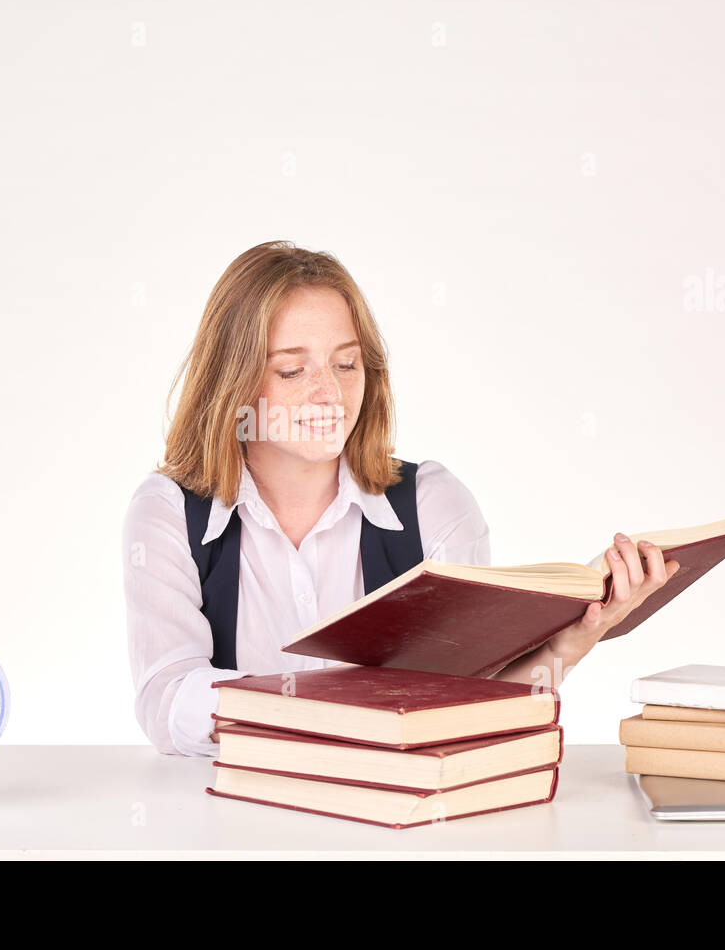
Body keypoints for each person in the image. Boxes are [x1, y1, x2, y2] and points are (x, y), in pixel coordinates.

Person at [122, 241, 679, 756]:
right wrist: (360, 706)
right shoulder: (170, 511)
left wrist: (576, 635)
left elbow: (472, 705)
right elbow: (168, 701)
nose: (330, 394)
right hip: (236, 829)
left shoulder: (433, 504)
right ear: (234, 382)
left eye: (346, 363)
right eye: (291, 370)